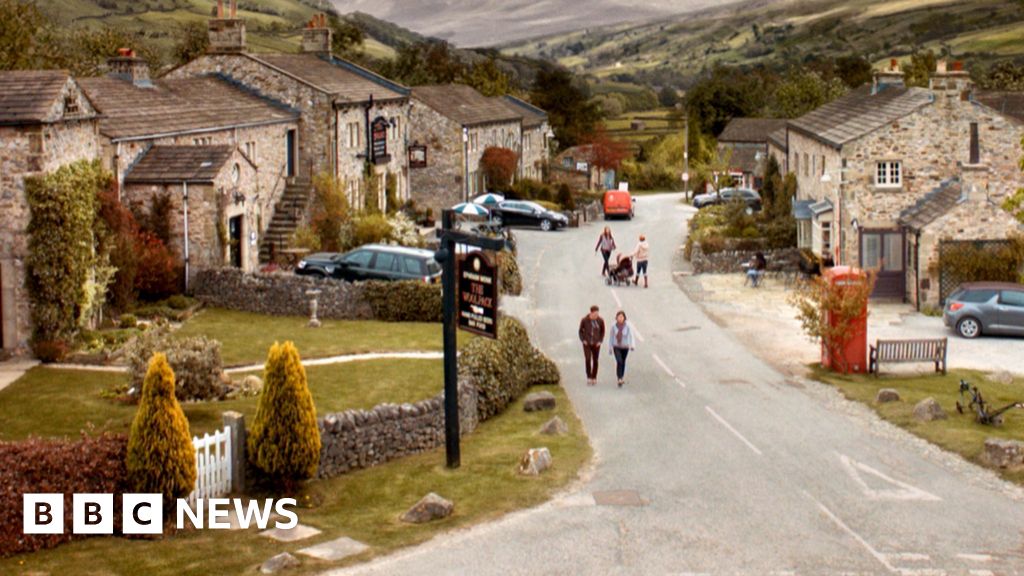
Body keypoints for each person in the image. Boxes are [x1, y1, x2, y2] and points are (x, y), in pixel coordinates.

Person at [578, 305, 605, 386]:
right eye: (595, 314)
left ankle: (594, 376)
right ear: (591, 313)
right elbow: (580, 331)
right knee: (588, 359)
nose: (596, 315)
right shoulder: (584, 320)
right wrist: (583, 340)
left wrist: (600, 341)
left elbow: (602, 331)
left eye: (597, 313)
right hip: (587, 343)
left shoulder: (600, 320)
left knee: (595, 360)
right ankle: (589, 376)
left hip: (596, 344)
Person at [608, 311, 636, 388]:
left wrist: (632, 345)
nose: (620, 318)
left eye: (622, 317)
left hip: (625, 346)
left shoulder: (628, 326)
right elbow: (611, 337)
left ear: (624, 318)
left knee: (623, 361)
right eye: (619, 317)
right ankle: (619, 378)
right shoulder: (613, 326)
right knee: (619, 361)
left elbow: (631, 335)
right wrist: (610, 347)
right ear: (616, 318)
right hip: (616, 346)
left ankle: (621, 376)